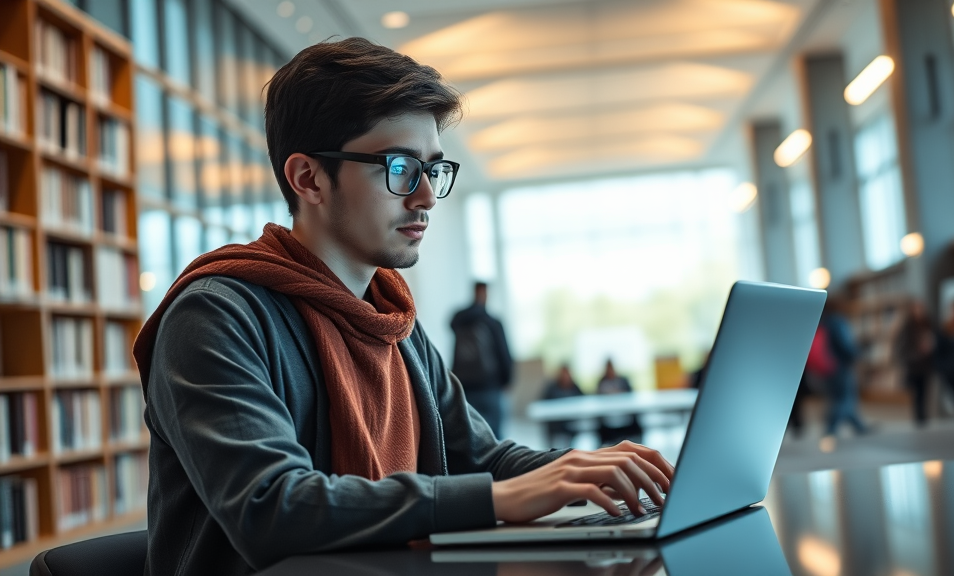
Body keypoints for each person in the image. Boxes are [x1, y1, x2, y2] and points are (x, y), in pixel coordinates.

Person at [133, 38, 674, 575]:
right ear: (309, 178)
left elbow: (482, 459)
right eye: (399, 168)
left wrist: (590, 469)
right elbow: (272, 507)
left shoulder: (391, 316)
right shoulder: (215, 318)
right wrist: (496, 499)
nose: (426, 197)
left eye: (432, 169)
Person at [450, 282, 513, 437]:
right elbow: (504, 352)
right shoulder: (493, 322)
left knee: (473, 436)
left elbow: (450, 324)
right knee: (496, 437)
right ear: (485, 294)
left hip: (466, 388)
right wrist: (507, 380)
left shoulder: (460, 320)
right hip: (490, 387)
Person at [819, 297, 869, 438]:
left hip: (828, 366)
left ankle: (858, 425)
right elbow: (845, 345)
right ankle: (830, 429)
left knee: (840, 397)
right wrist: (857, 354)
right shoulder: (838, 321)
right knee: (844, 399)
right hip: (841, 366)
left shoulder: (824, 321)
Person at [895, 300, 935, 426]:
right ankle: (919, 421)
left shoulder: (929, 324)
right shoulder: (907, 327)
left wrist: (930, 347)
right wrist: (918, 352)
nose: (919, 311)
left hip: (926, 366)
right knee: (917, 396)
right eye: (917, 309)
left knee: (925, 395)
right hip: (913, 367)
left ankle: (924, 419)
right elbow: (902, 349)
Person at [596, 359, 644, 446]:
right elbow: (597, 397)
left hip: (625, 417)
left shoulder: (623, 380)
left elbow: (631, 395)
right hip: (608, 420)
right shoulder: (601, 382)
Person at [541, 364, 585, 448]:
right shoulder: (552, 387)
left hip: (571, 420)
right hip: (556, 422)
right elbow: (543, 402)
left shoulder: (574, 386)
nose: (565, 376)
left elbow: (583, 399)